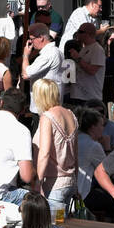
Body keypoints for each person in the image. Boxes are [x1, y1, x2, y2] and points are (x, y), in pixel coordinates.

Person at [31, 80, 77, 218]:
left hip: (54, 186)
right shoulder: (71, 115)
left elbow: (44, 153)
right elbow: (76, 154)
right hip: (70, 182)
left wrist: (37, 182)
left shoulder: (47, 117)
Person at [21, 22, 67, 114]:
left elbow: (25, 74)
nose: (31, 43)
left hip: (44, 108)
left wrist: (25, 55)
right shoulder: (56, 52)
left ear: (41, 38)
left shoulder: (48, 54)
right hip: (49, 106)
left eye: (31, 39)